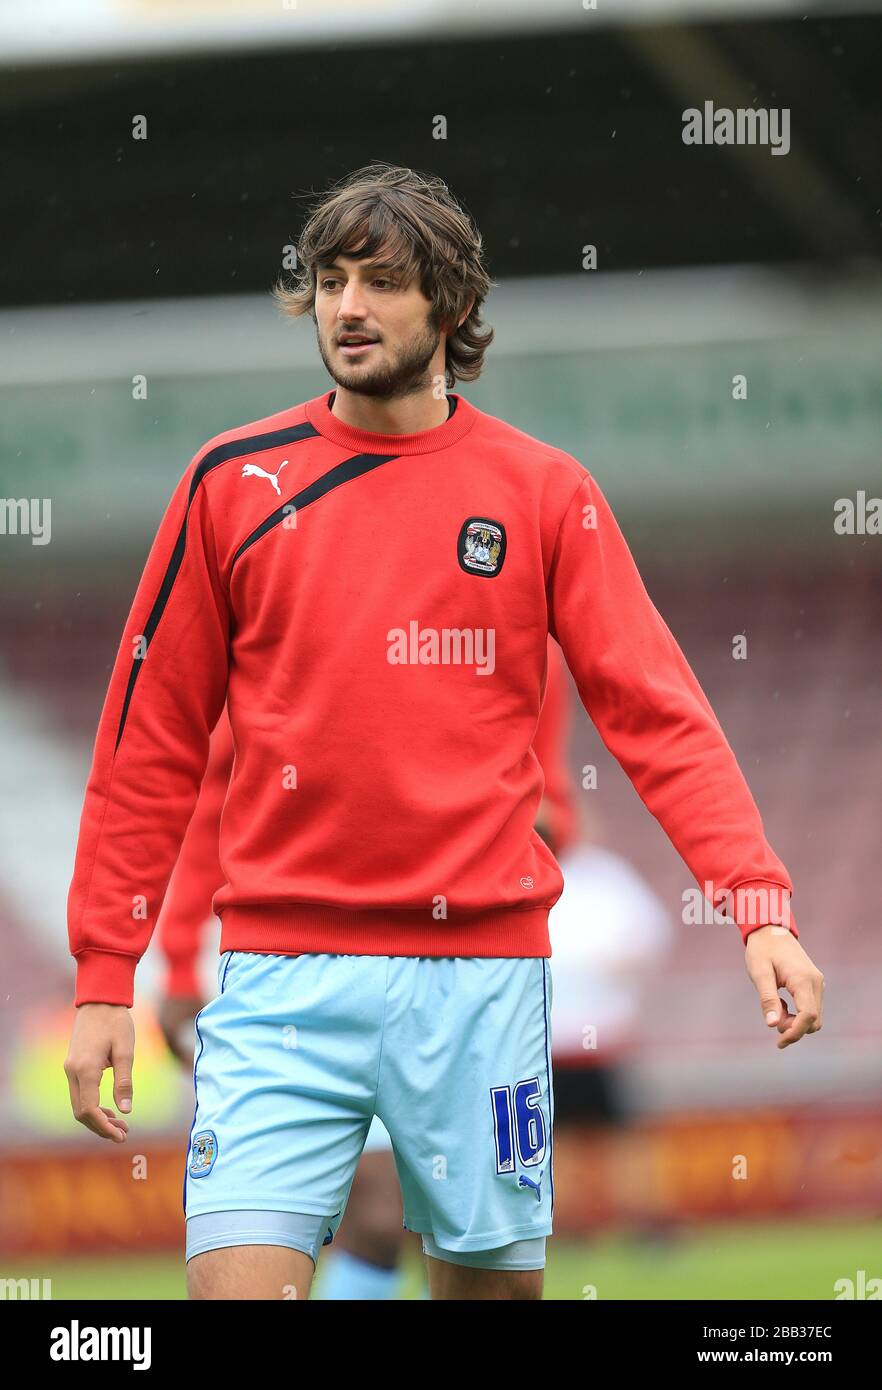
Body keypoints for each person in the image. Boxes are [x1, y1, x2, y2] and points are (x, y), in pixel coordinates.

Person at [64, 161, 824, 1302]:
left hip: (480, 980)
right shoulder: (231, 481)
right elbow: (152, 741)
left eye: (380, 281)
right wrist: (105, 973)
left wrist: (756, 903)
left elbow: (656, 710)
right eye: (328, 281)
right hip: (276, 981)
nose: (348, 307)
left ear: (454, 310)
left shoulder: (542, 491)